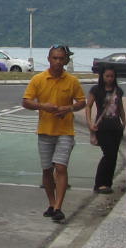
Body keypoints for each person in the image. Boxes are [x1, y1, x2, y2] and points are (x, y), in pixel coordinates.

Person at [22, 44, 86, 222]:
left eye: (61, 58)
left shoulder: (72, 81)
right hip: (45, 130)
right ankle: (51, 203)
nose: (58, 62)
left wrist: (68, 108)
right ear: (49, 59)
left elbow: (82, 101)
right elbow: (26, 102)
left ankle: (58, 206)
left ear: (66, 60)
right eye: (55, 58)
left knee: (61, 167)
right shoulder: (38, 79)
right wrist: (43, 106)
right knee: (47, 169)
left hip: (65, 131)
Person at [88, 66, 126, 193]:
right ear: (102, 76)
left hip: (116, 127)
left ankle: (107, 183)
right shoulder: (96, 90)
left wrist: (124, 121)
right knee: (108, 155)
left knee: (113, 156)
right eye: (107, 76)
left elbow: (119, 106)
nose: (110, 79)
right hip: (103, 127)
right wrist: (90, 123)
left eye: (112, 76)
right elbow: (88, 106)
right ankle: (99, 184)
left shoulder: (118, 90)